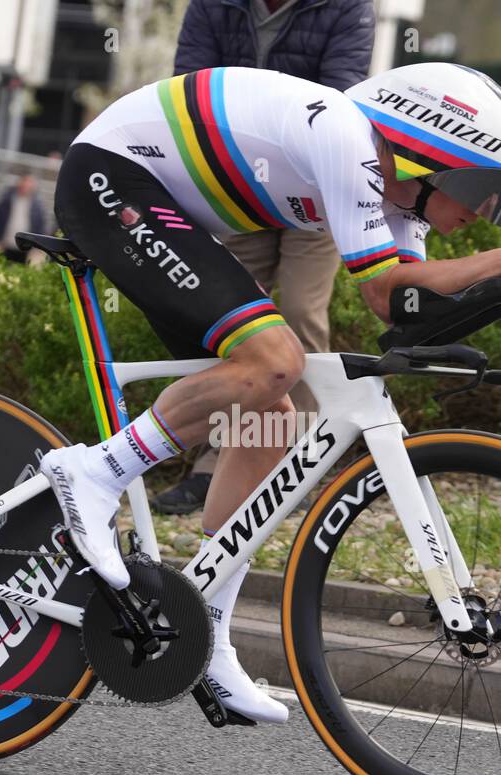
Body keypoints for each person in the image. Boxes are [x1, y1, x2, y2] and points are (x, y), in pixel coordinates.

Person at [47, 62, 501, 724]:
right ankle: (95, 470)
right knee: (276, 360)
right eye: (481, 185)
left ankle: (204, 626)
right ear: (428, 153)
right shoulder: (347, 139)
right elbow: (386, 290)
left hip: (158, 203)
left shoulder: (397, 200)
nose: (482, 211)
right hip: (113, 177)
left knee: (273, 421)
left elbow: (405, 311)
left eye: (497, 198)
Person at [155, 0, 375, 515]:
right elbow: (189, 87)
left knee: (301, 311)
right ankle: (214, 464)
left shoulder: (350, 8)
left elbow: (339, 97)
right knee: (231, 322)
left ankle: (299, 462)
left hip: (317, 184)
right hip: (235, 182)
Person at [0, 174, 46, 264]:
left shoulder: (36, 205)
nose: (26, 187)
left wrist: (39, 246)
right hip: (6, 243)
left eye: (29, 185)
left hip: (24, 246)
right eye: (24, 183)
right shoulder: (7, 199)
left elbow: (39, 225)